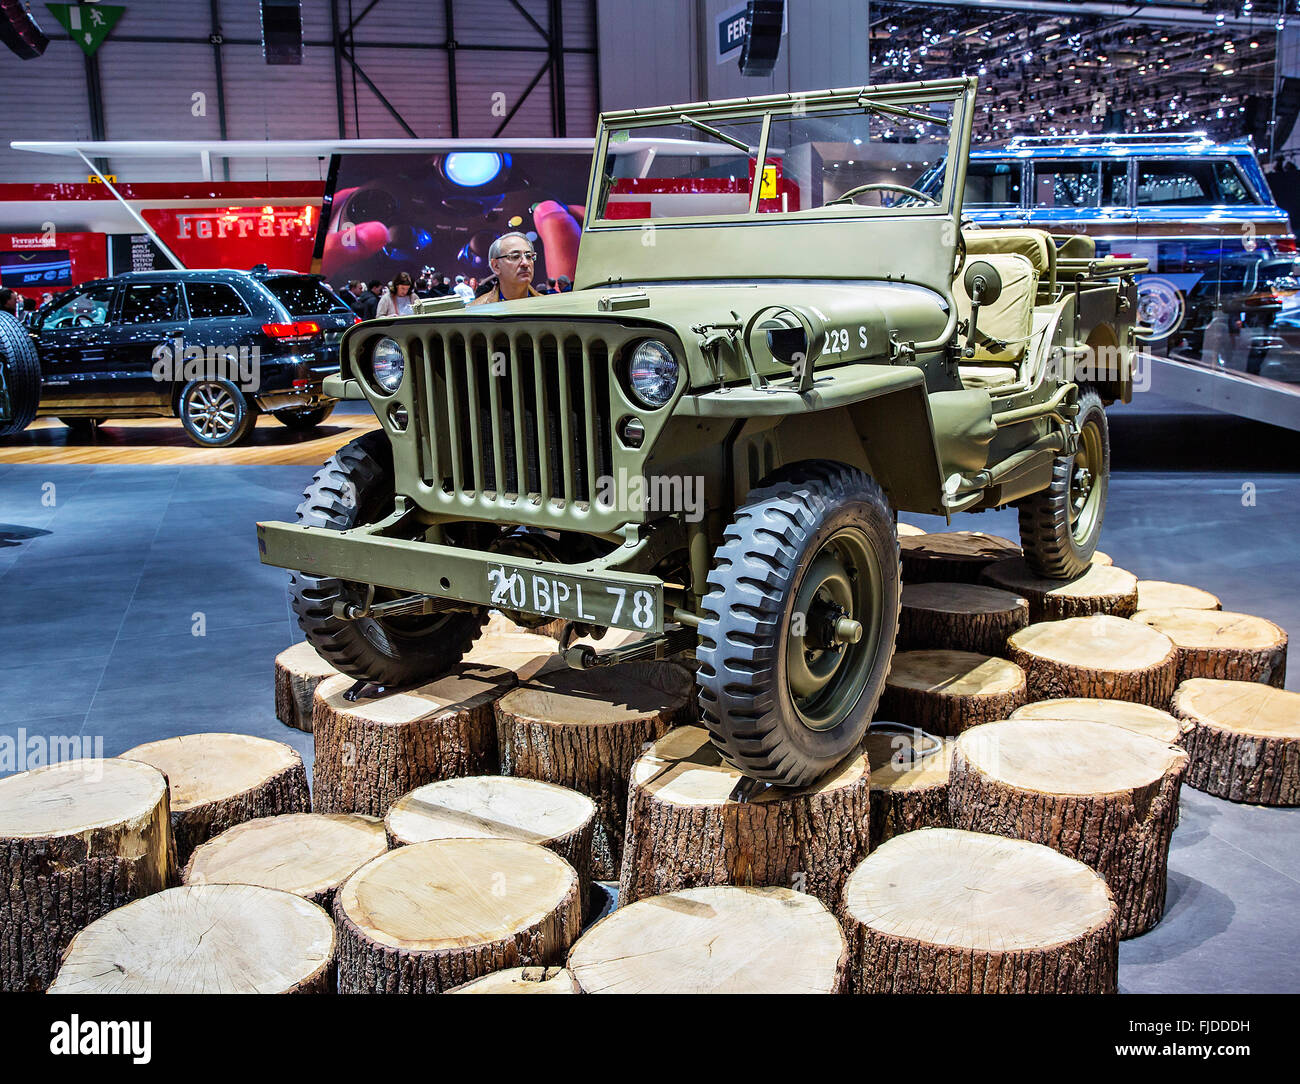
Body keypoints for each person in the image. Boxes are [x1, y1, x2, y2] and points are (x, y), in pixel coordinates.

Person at [470, 232, 543, 306]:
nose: (525, 263)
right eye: (515, 256)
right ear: (496, 266)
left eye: (529, 256)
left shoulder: (547, 305)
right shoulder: (477, 310)